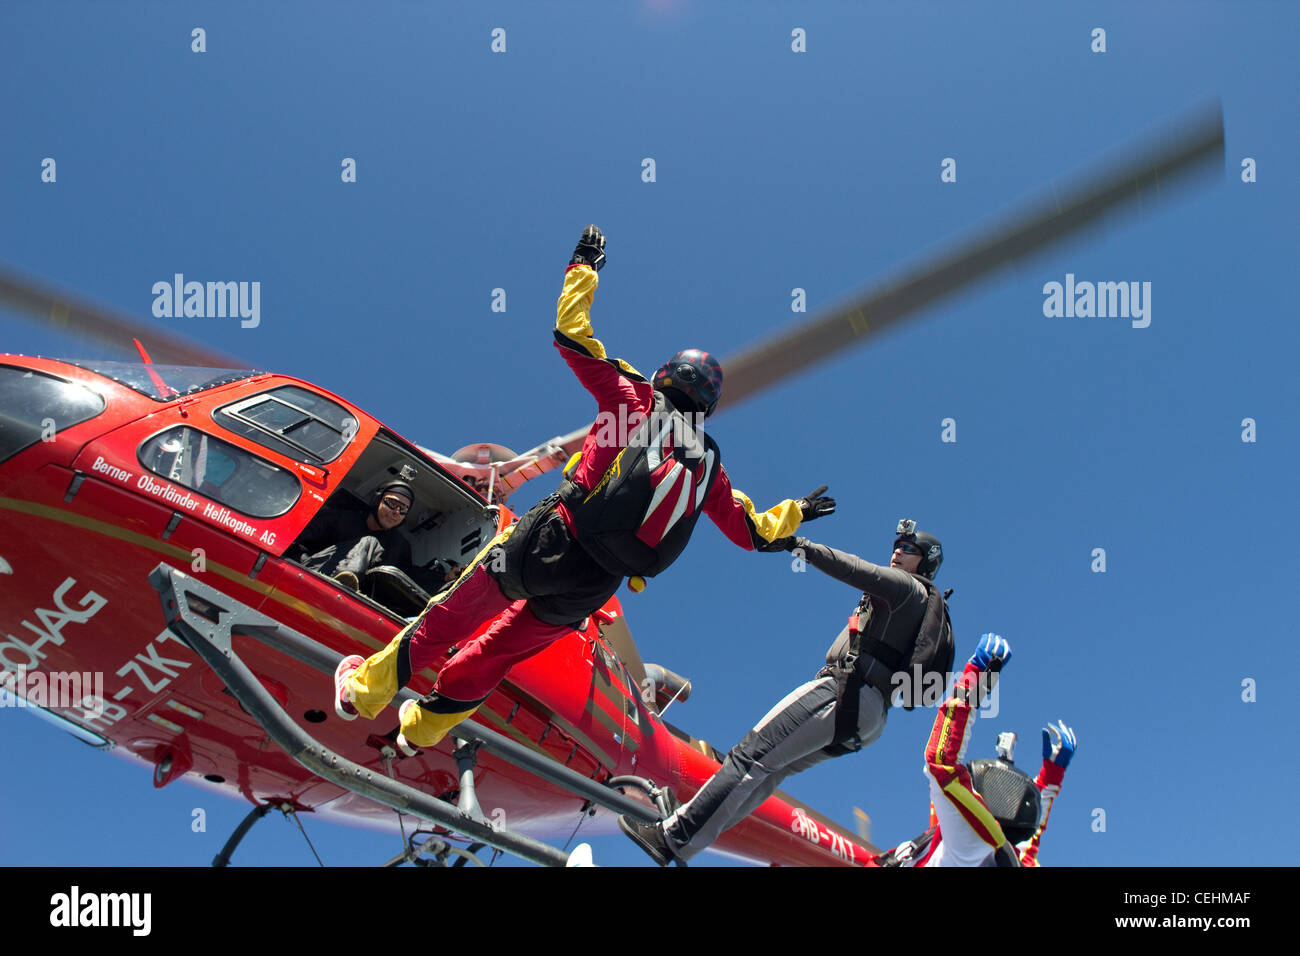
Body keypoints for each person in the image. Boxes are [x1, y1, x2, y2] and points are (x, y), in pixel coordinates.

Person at [333, 225, 835, 751]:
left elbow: (570, 334)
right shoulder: (710, 466)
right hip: (594, 587)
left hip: (554, 538)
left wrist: (584, 267)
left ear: (667, 375)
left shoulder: (635, 400)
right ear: (708, 404)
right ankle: (420, 731)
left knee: (455, 612)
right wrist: (796, 510)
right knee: (498, 653)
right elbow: (750, 532)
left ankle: (364, 693)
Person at [620, 518, 952, 865]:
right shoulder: (923, 605)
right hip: (868, 718)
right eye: (898, 545)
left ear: (925, 562)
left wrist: (798, 545)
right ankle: (686, 828)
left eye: (910, 549)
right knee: (769, 770)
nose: (898, 551)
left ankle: (674, 836)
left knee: (751, 755)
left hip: (846, 691)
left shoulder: (907, 588)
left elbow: (853, 569)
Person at [869, 634, 1077, 867]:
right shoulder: (1006, 855)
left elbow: (942, 764)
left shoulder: (972, 835)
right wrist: (1052, 774)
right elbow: (1030, 843)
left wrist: (974, 677)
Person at [298, 480, 416, 589]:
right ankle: (344, 581)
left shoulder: (400, 547)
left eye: (403, 509)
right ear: (377, 500)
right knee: (370, 541)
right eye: (392, 503)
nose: (396, 512)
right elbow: (297, 542)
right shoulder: (340, 518)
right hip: (313, 575)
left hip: (359, 597)